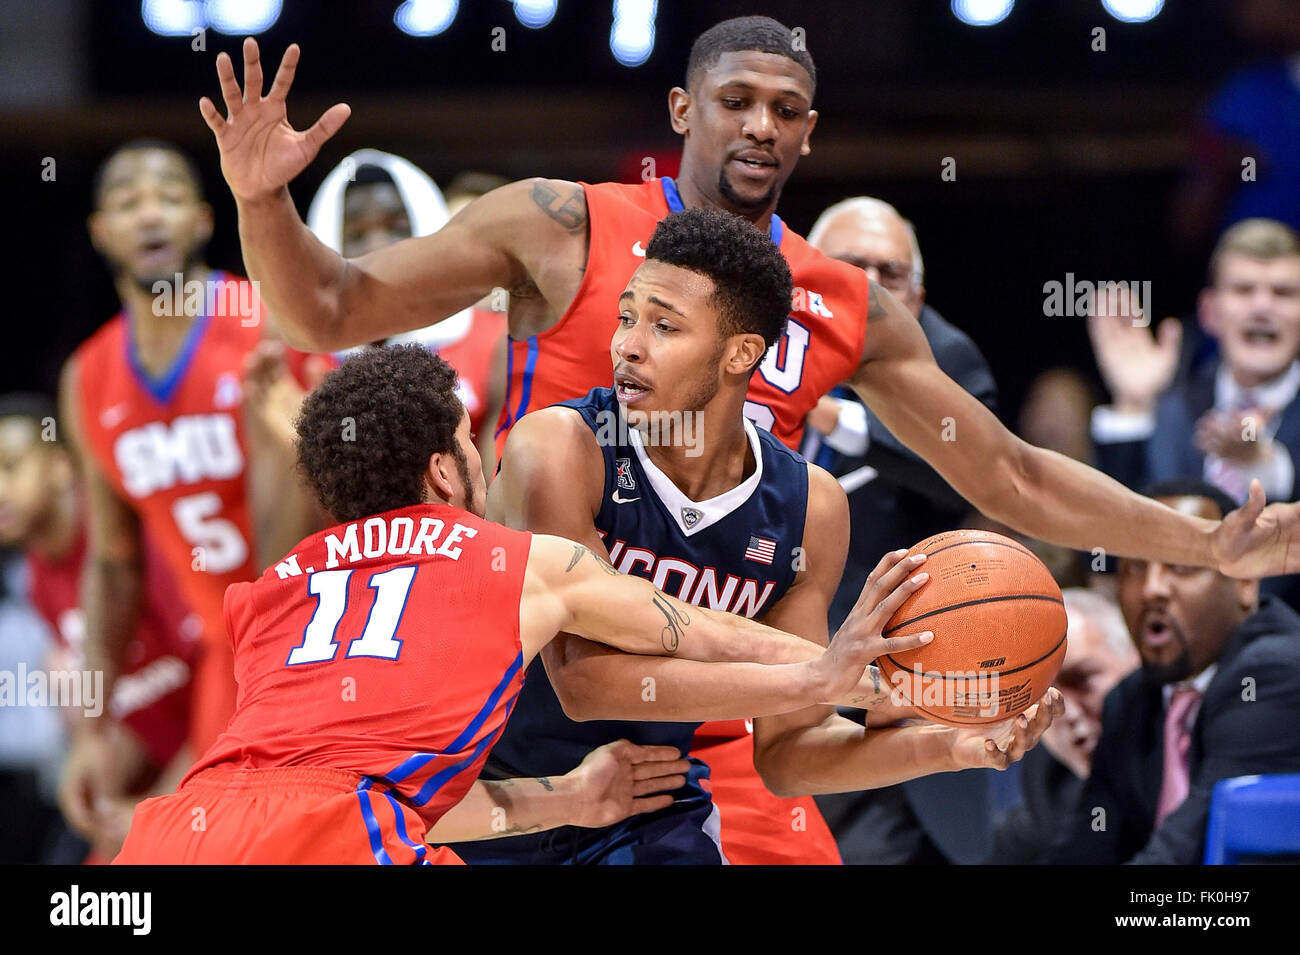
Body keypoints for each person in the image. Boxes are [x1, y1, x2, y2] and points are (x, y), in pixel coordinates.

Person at [200, 21, 1300, 601]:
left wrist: (1202, 542)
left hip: (724, 680)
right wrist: (262, 196)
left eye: (785, 111)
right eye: (735, 103)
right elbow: (327, 309)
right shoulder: (560, 223)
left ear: (811, 133)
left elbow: (1009, 477)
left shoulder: (841, 300)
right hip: (538, 653)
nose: (760, 128)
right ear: (682, 109)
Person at [113, 345, 931, 864]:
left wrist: (567, 800)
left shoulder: (270, 591)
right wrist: (846, 674)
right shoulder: (510, 559)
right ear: (443, 471)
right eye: (474, 448)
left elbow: (387, 803)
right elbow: (694, 630)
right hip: (342, 836)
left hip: (175, 836)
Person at [444, 209, 1061, 865]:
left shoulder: (808, 505)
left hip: (647, 815)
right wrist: (829, 679)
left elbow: (791, 753)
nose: (627, 344)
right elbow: (586, 683)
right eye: (626, 316)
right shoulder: (561, 446)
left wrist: (947, 741)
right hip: (486, 800)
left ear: (740, 352)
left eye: (664, 326)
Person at [60, 138, 327, 816]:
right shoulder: (87, 375)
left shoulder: (266, 319)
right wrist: (93, 727)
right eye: (128, 202)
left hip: (314, 622)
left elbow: (328, 496)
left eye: (170, 198)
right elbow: (115, 565)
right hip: (223, 651)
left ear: (204, 221)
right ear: (100, 232)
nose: (151, 216)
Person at [798, 196, 1001, 864]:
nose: (867, 286)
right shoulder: (755, 341)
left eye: (889, 273)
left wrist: (838, 420)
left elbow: (965, 475)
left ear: (916, 295)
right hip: (755, 669)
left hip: (886, 683)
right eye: (849, 267)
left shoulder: (944, 357)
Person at [1045, 479, 1300, 864]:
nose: (1152, 589)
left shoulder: (1276, 672)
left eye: (1179, 565)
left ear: (1245, 580)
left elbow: (1187, 850)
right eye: (1134, 566)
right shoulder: (1130, 699)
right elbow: (1086, 848)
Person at [0, 393, 198, 860]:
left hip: (236, 762)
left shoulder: (132, 543)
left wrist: (164, 804)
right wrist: (93, 754)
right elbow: (145, 702)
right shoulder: (37, 578)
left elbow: (232, 682)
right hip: (172, 771)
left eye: (11, 467)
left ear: (64, 467)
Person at [1090, 217, 1300, 606]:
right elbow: (1108, 553)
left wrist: (1264, 466)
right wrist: (1132, 405)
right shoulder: (1175, 409)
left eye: (1283, 293)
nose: (1262, 306)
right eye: (1243, 290)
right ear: (1210, 312)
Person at [305, 149, 507, 469]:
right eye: (356, 234)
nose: (378, 245)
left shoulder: (493, 340)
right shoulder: (299, 354)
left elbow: (499, 497)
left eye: (396, 226)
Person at [989, 588, 1137, 864]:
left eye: (1082, 679)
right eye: (1038, 695)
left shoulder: (1190, 748)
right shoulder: (1047, 786)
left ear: (1135, 662)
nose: (1063, 711)